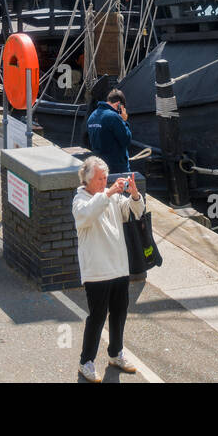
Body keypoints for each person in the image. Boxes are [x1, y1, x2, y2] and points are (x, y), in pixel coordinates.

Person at [72, 156, 143, 382]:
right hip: (97, 270)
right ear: (88, 180)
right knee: (97, 316)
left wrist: (134, 194)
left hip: (119, 268)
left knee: (120, 313)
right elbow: (87, 216)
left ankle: (116, 353)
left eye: (106, 178)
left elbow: (135, 211)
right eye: (100, 178)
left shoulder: (110, 198)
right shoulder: (80, 201)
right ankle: (86, 361)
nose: (104, 182)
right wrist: (110, 192)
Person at [86, 89, 132, 176]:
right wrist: (124, 120)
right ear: (119, 105)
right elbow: (126, 140)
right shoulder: (113, 117)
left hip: (100, 167)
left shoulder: (92, 116)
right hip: (117, 168)